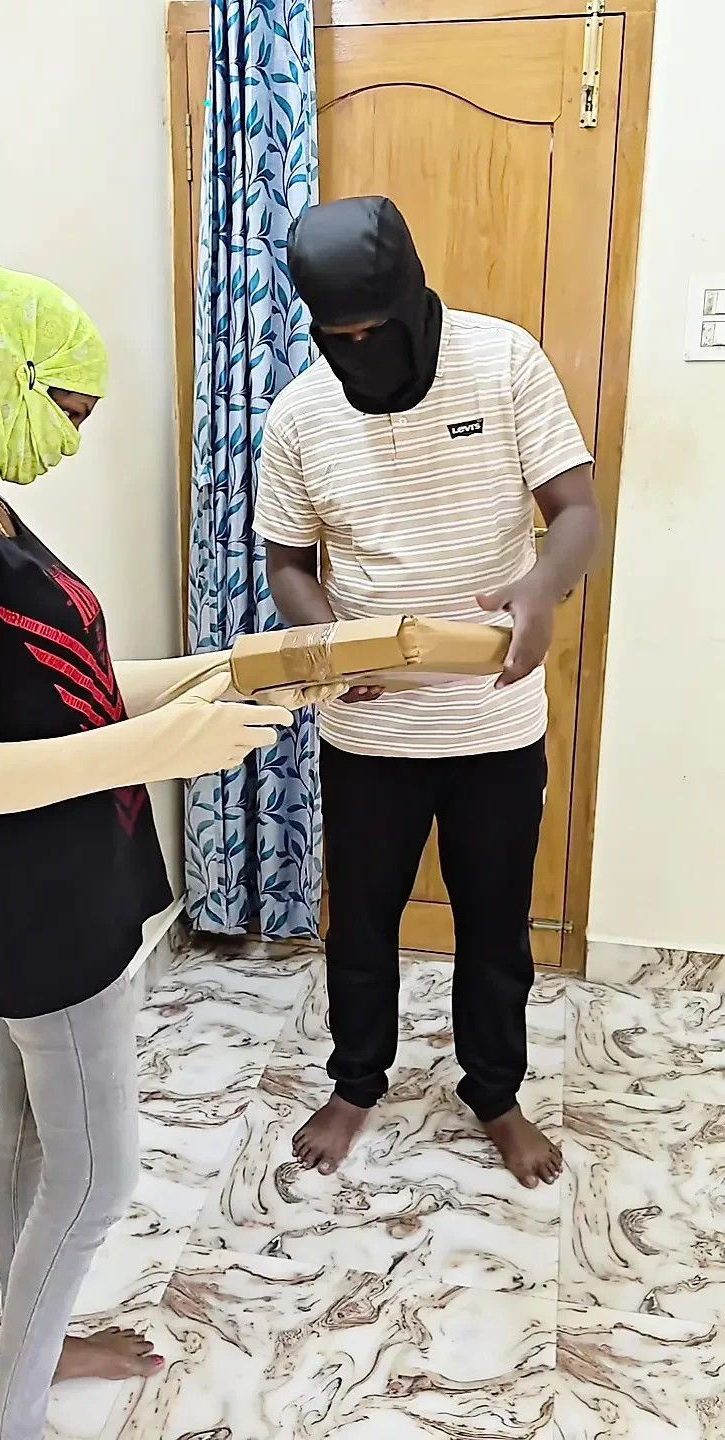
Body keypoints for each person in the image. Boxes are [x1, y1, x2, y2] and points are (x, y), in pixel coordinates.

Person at [0, 258, 333, 1440]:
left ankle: (36, 1345)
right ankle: (13, 1417)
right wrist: (163, 746)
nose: (73, 440)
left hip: (59, 867)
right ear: (1, 372)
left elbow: (67, 685)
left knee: (28, 1129)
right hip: (33, 888)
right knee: (95, 1176)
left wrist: (224, 672)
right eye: (67, 409)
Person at [254, 197, 601, 1190]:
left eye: (377, 331)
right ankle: (356, 1082)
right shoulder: (300, 414)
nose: (360, 352)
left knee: (495, 927)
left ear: (412, 300)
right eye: (339, 336)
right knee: (361, 924)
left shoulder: (504, 361)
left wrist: (542, 588)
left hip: (495, 721)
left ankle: (494, 1093)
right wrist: (325, 639)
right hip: (369, 733)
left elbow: (577, 510)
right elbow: (288, 561)